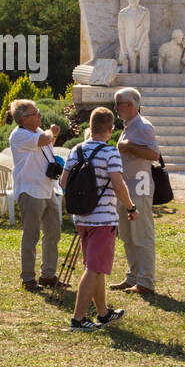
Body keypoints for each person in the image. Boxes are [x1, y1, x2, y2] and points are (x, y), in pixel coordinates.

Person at [63, 107, 133, 331]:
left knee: (96, 267)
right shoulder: (110, 153)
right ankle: (78, 319)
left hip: (81, 217)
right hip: (103, 219)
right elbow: (118, 185)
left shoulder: (76, 150)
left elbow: (64, 182)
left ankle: (103, 313)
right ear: (111, 129)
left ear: (90, 127)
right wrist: (131, 207)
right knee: (93, 269)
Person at [110, 87, 160, 296]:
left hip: (139, 188)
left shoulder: (143, 126)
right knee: (128, 235)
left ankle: (146, 281)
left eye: (118, 104)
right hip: (126, 188)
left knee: (141, 235)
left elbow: (154, 154)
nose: (115, 108)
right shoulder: (129, 125)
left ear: (129, 105)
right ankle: (133, 277)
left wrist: (129, 146)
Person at [8, 98, 62, 290]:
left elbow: (47, 145)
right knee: (31, 235)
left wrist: (51, 136)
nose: (40, 115)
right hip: (30, 190)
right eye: (35, 112)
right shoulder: (19, 135)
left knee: (53, 232)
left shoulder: (37, 131)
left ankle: (48, 275)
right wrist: (52, 133)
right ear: (23, 119)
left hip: (47, 188)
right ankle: (28, 278)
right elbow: (45, 140)